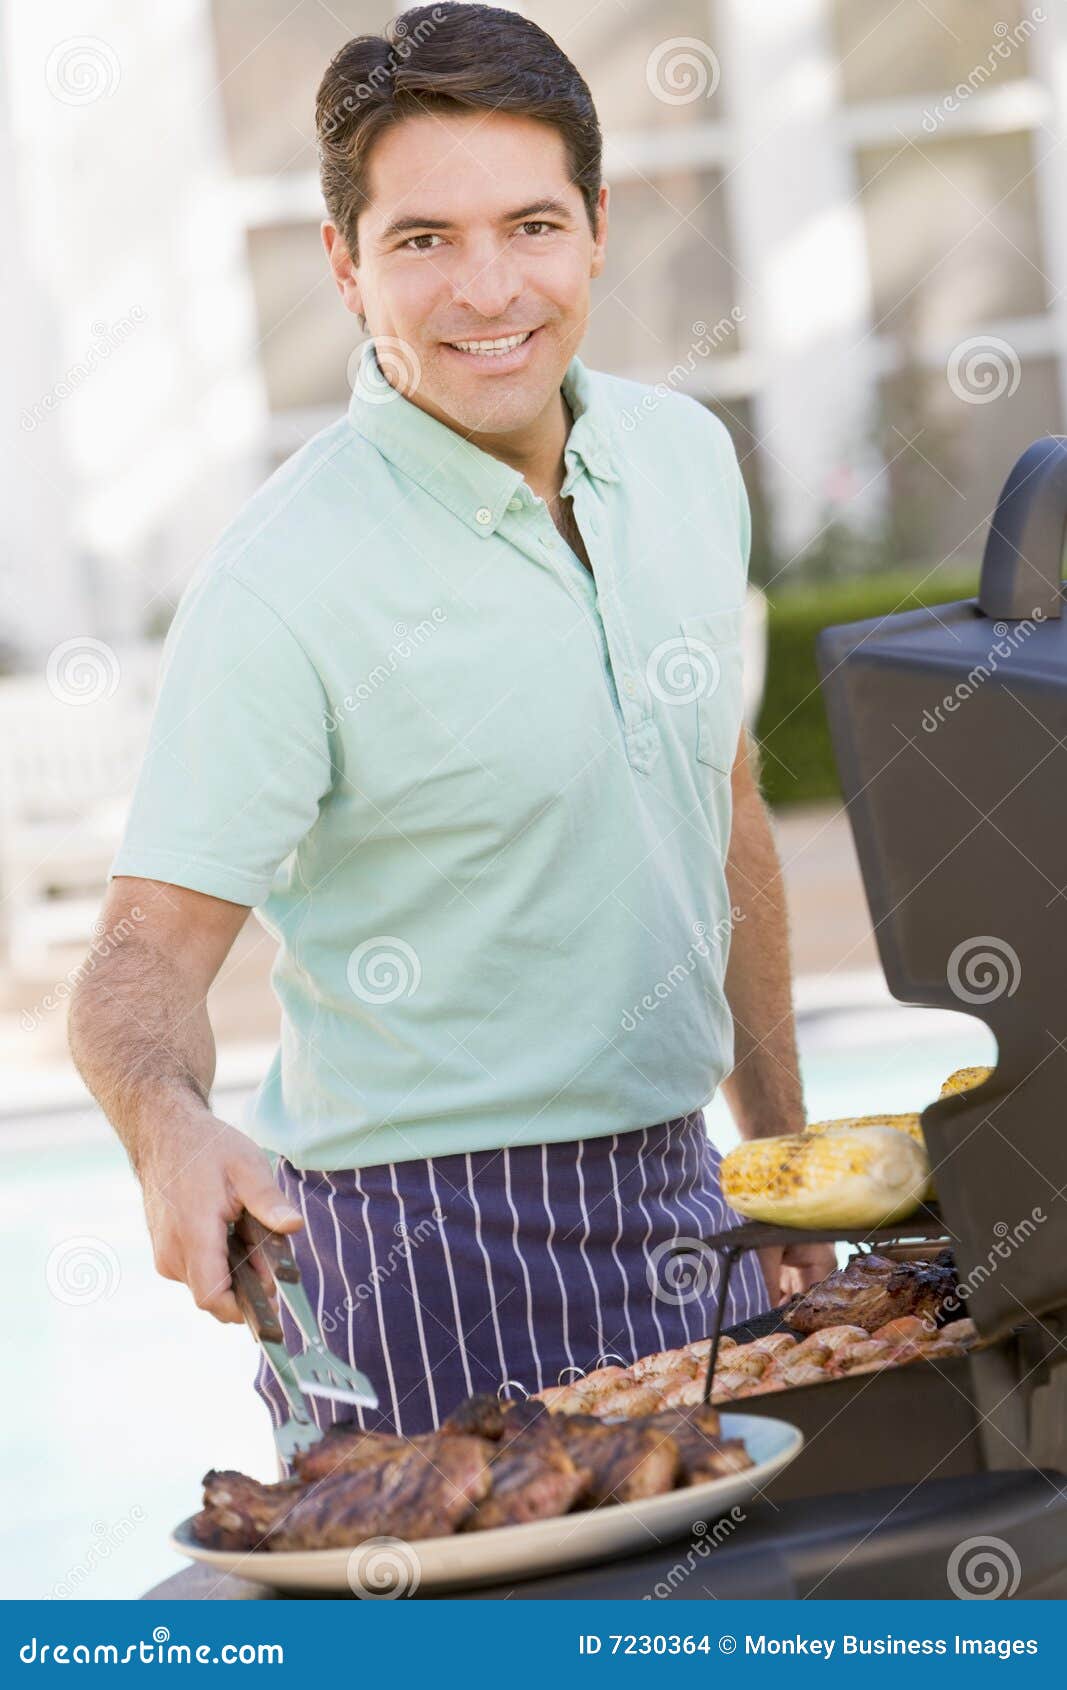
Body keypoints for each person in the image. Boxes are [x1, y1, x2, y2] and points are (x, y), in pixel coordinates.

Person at [68, 2, 833, 1448]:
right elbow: (139, 960)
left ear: (598, 228)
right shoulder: (281, 580)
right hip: (409, 1257)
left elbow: (720, 809)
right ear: (346, 267)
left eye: (530, 224)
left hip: (682, 1199)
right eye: (422, 240)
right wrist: (168, 1127)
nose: (488, 289)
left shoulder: (686, 464)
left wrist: (779, 1147)